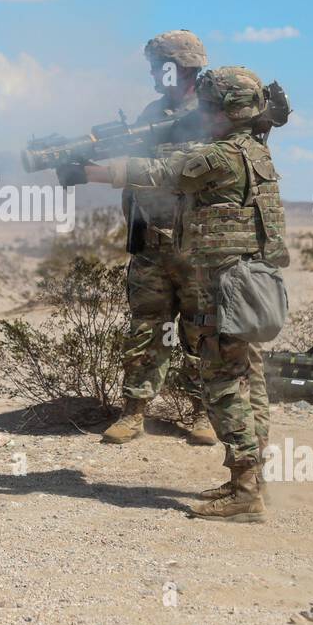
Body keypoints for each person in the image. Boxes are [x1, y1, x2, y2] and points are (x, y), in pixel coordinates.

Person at [62, 67, 288, 521]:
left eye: (208, 108)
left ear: (227, 111)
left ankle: (246, 494)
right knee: (249, 379)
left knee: (224, 385)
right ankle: (250, 480)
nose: (200, 116)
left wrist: (86, 171)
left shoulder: (220, 156)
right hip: (251, 280)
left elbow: (163, 172)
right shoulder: (256, 150)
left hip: (225, 286)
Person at [99, 30, 217, 446]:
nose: (152, 75)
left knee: (201, 330)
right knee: (146, 328)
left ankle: (203, 414)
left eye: (156, 67)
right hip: (151, 242)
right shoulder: (151, 113)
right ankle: (134, 412)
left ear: (177, 67)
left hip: (198, 245)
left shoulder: (213, 114)